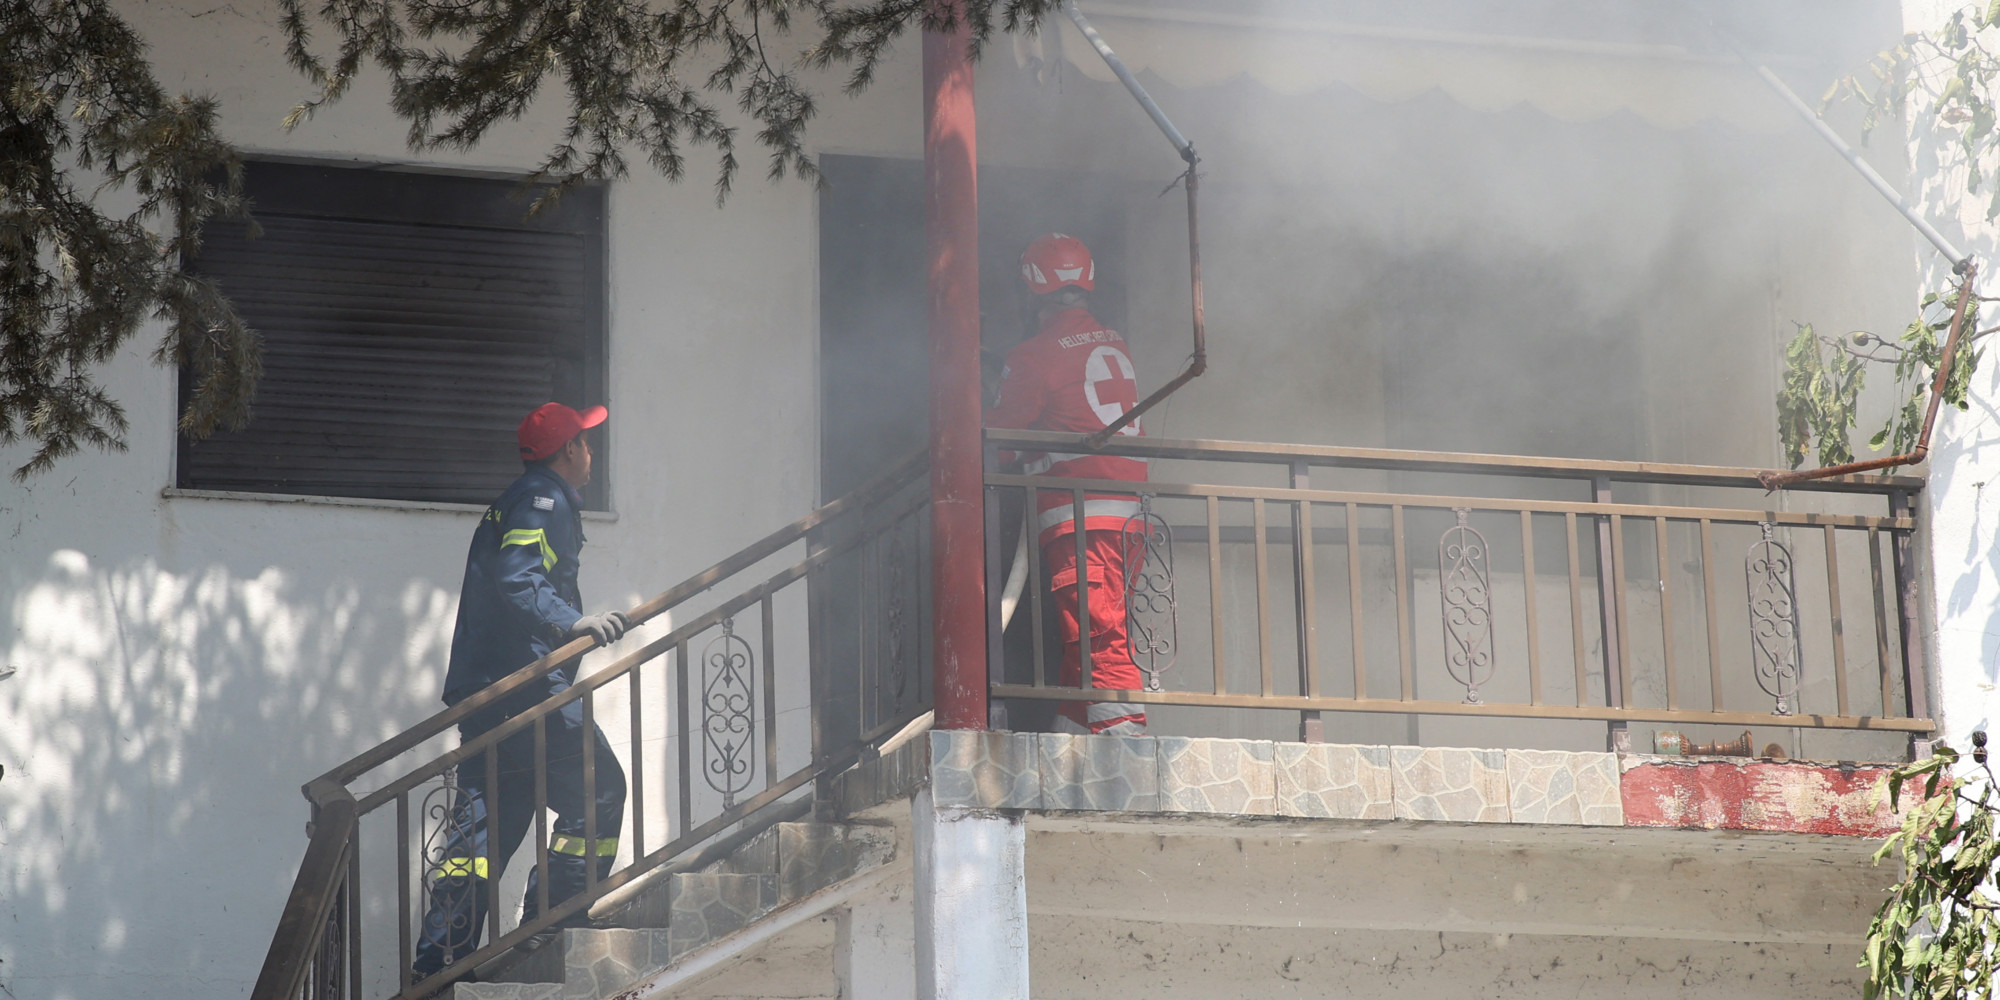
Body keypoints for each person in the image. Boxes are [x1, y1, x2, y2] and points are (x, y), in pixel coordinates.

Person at [413, 402, 631, 976]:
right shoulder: (544, 499)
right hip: (524, 691)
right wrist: (571, 621)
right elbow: (518, 575)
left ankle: (439, 967)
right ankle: (553, 925)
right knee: (599, 790)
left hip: (486, 693)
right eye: (585, 443)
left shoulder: (517, 499)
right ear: (568, 451)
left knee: (481, 838)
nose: (591, 453)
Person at [987, 233, 1149, 735]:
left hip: (1081, 516)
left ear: (1031, 291)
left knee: (1099, 630)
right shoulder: (1112, 342)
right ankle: (1075, 725)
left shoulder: (1034, 356)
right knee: (1089, 626)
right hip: (1128, 514)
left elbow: (1003, 436)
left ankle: (1123, 734)